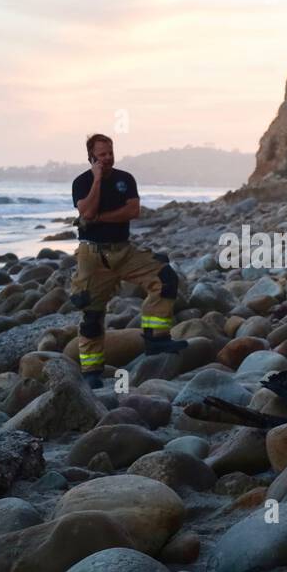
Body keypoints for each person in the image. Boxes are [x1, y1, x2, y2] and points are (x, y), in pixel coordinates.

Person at [70, 133, 186, 389]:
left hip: (125, 251)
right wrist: (98, 180)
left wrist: (98, 219)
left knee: (165, 277)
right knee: (91, 314)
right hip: (93, 256)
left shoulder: (125, 179)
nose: (108, 158)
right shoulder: (82, 182)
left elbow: (132, 211)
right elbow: (86, 211)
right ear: (91, 157)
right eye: (102, 155)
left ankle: (155, 337)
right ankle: (91, 371)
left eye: (110, 152)